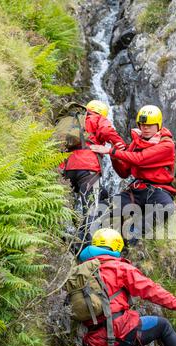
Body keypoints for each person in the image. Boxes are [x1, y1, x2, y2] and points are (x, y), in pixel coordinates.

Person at [90, 105, 176, 243]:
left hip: (158, 190)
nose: (145, 128)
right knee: (102, 208)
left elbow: (140, 159)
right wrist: (115, 157)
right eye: (142, 125)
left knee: (167, 206)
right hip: (136, 190)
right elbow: (124, 172)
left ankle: (135, 231)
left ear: (158, 125)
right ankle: (82, 238)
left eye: (149, 125)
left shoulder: (167, 144)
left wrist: (111, 152)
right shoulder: (136, 143)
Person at [61, 100, 126, 247]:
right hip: (88, 168)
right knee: (91, 209)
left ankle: (65, 235)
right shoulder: (97, 118)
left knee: (67, 204)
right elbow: (108, 132)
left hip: (67, 167)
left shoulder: (72, 120)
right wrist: (120, 145)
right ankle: (87, 244)